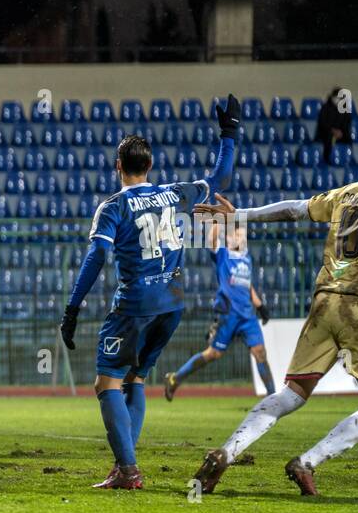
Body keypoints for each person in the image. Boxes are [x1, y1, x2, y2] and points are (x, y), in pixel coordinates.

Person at [193, 146, 358, 496]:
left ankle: (226, 452)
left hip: (325, 301)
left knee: (292, 393)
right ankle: (307, 462)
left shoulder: (347, 193)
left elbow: (294, 210)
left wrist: (240, 214)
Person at [59, 95, 239, 488]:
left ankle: (128, 469)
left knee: (105, 382)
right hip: (172, 304)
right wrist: (229, 133)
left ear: (118, 165)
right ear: (152, 165)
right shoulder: (176, 193)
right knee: (135, 379)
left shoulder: (113, 207)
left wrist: (72, 309)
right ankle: (126, 465)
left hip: (134, 306)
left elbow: (96, 258)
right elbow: (221, 179)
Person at [164, 213, 274, 399]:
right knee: (213, 354)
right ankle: (175, 378)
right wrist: (220, 221)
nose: (241, 238)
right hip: (228, 314)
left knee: (260, 353)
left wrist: (260, 305)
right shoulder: (223, 254)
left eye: (243, 235)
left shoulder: (247, 258)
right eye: (237, 235)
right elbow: (211, 239)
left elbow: (247, 284)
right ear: (229, 237)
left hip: (247, 315)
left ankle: (273, 398)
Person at [314, 87, 353, 165]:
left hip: (340, 134)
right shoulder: (325, 108)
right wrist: (333, 130)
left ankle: (347, 159)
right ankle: (327, 159)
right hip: (327, 133)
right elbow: (323, 123)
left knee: (348, 139)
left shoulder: (344, 109)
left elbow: (346, 123)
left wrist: (341, 132)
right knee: (328, 139)